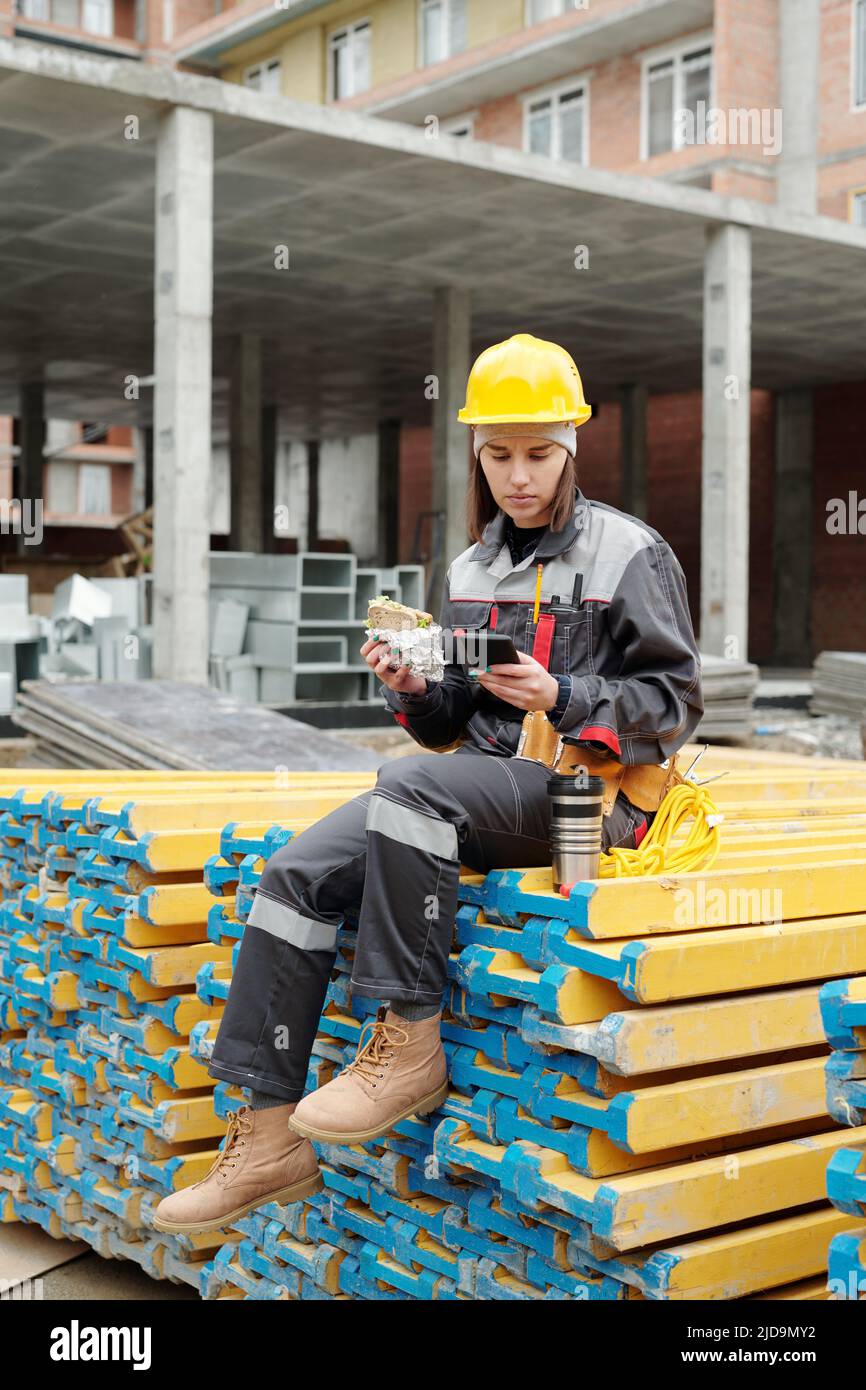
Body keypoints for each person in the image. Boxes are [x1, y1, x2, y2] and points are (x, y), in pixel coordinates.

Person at [152, 333, 703, 1235]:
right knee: (295, 875)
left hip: (583, 805)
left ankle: (408, 1041)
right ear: (477, 452)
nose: (517, 476)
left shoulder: (628, 553)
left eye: (538, 453)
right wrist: (414, 689)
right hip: (480, 787)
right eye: (498, 456)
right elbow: (454, 723)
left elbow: (675, 703)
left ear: (572, 444)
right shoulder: (471, 570)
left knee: (410, 789)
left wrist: (562, 693)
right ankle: (262, 1141)